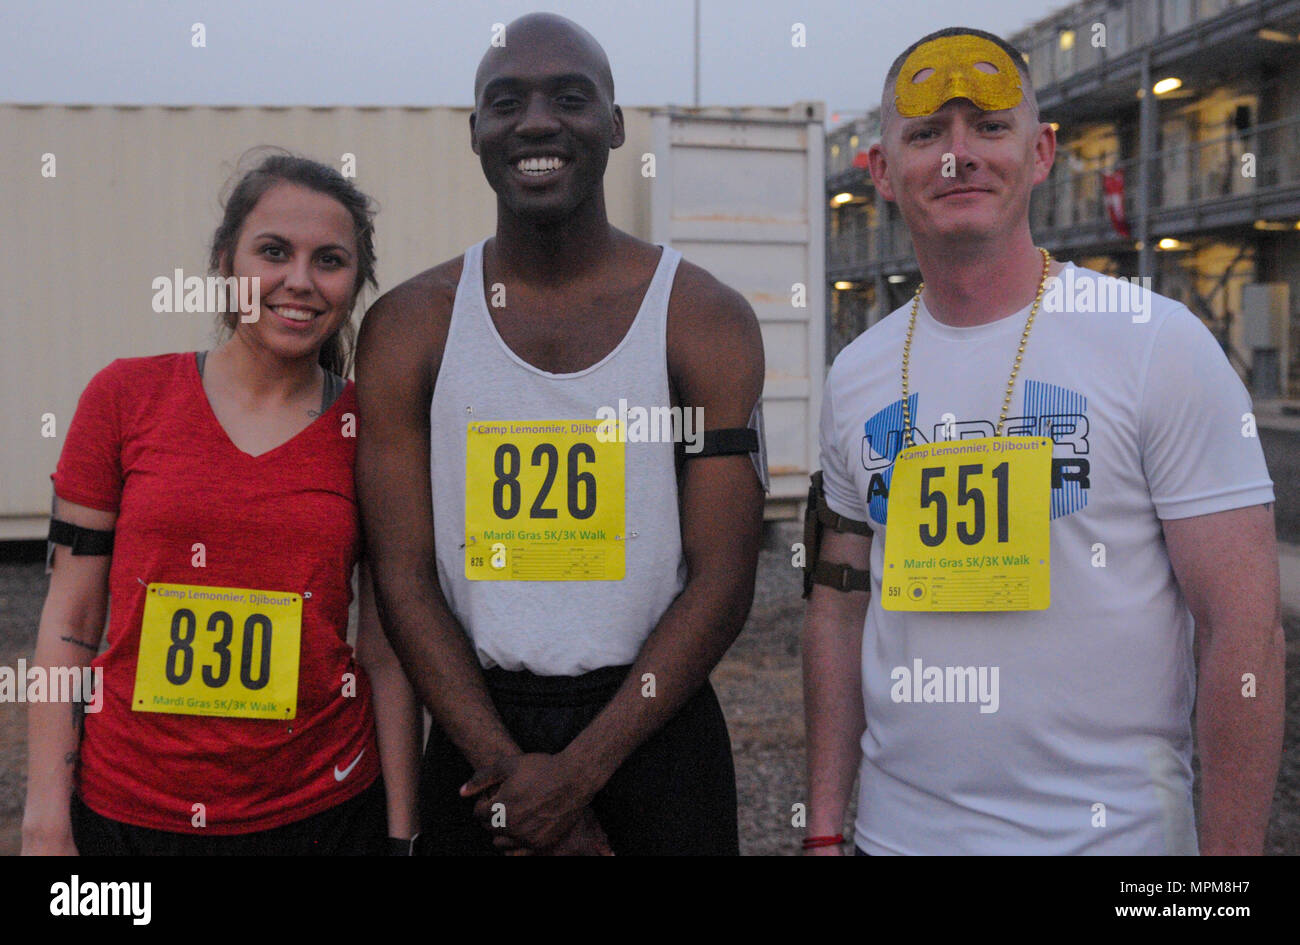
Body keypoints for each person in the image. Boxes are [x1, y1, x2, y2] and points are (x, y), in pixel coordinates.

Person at [802, 27, 1283, 855]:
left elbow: (1244, 631)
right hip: (896, 838)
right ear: (880, 170)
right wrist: (822, 829)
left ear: (1041, 151)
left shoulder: (1155, 344)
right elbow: (840, 608)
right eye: (925, 134)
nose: (958, 156)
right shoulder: (857, 374)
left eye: (989, 126)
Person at [355, 13, 767, 855]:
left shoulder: (704, 317)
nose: (537, 122)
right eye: (506, 102)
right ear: (476, 133)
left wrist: (577, 777)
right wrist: (512, 769)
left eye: (570, 98)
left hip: (657, 718)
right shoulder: (409, 325)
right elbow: (401, 575)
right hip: (479, 731)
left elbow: (724, 575)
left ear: (615, 125)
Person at [21, 152, 422, 855]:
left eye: (329, 260)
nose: (299, 280)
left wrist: (402, 832)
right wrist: (45, 819)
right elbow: (69, 619)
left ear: (356, 283)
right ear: (223, 260)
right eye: (273, 252)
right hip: (130, 812)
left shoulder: (372, 429)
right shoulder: (123, 398)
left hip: (320, 811)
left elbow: (385, 651)